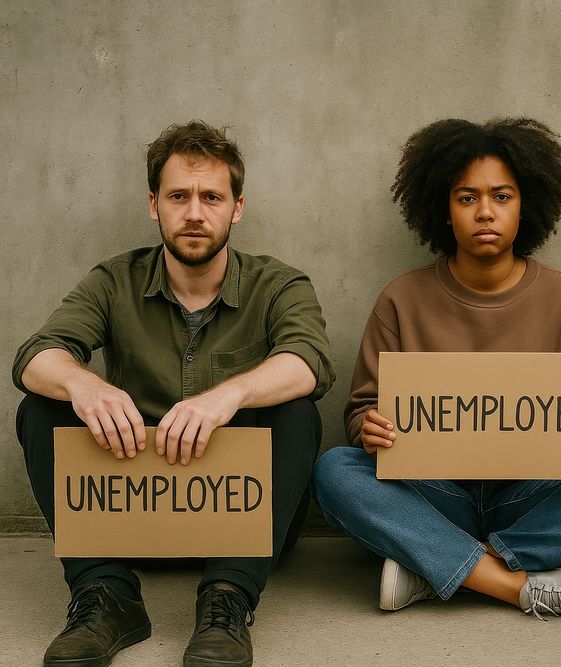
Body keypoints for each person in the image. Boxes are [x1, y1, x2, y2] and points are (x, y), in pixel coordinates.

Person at [13, 121, 335, 667]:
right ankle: (106, 594)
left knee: (297, 411)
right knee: (40, 405)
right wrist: (82, 382)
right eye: (178, 196)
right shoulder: (114, 280)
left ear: (237, 208)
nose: (193, 213)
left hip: (237, 519)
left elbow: (310, 360)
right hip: (131, 512)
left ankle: (228, 599)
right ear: (153, 204)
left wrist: (228, 396)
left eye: (212, 197)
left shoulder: (278, 284)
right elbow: (36, 354)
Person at [313, 118, 561, 622]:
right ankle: (518, 586)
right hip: (435, 494)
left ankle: (437, 568)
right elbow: (362, 409)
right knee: (335, 470)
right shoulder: (401, 299)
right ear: (445, 211)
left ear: (526, 206)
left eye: (501, 195)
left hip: (533, 497)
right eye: (467, 198)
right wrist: (369, 428)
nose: (485, 212)